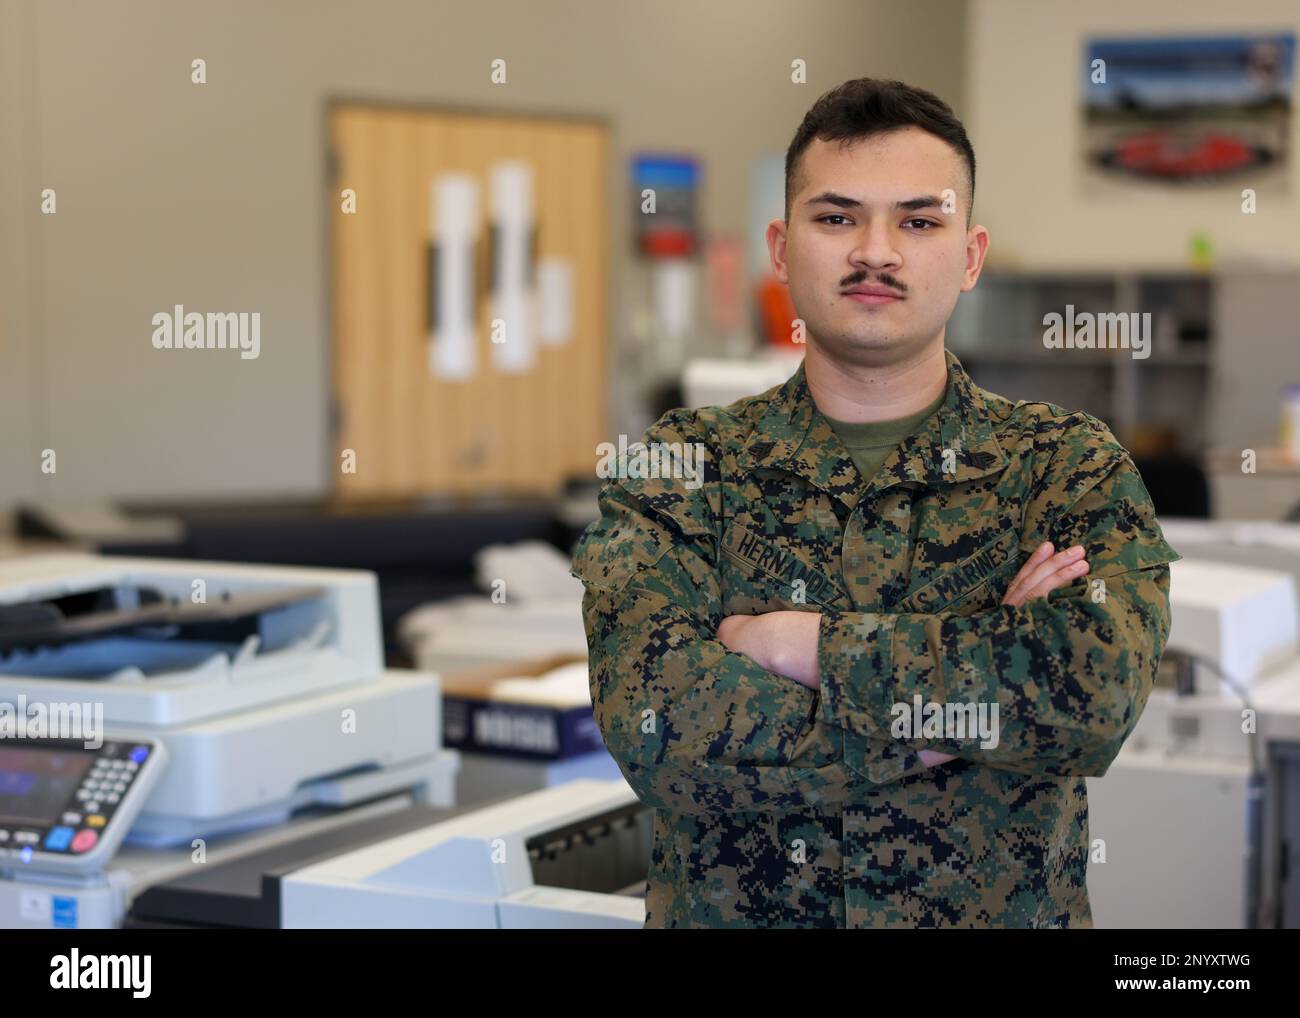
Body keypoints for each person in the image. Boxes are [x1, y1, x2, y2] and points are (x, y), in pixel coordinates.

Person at [571, 77, 1181, 928]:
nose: (877, 252)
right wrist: (968, 710)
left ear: (969, 256)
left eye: (919, 221)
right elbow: (659, 730)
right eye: (837, 217)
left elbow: (1094, 695)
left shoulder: (1065, 465)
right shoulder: (682, 468)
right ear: (781, 249)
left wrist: (801, 645)